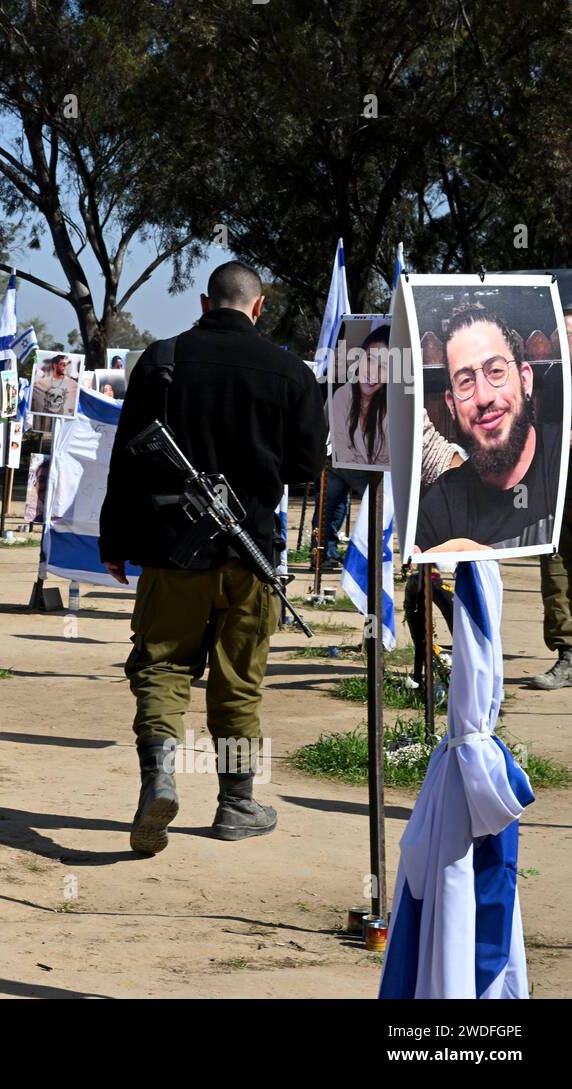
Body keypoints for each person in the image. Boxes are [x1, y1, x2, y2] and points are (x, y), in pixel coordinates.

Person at [99, 260, 326, 854]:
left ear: (204, 303)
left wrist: (114, 540)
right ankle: (236, 803)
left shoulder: (163, 360)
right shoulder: (291, 372)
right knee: (238, 682)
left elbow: (125, 461)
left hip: (172, 553)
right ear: (259, 305)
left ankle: (160, 779)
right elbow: (306, 468)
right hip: (251, 557)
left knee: (161, 665)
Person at [415, 304, 560, 554]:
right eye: (466, 381)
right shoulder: (438, 509)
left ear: (524, 380)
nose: (483, 397)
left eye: (496, 371)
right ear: (451, 405)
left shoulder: (563, 464)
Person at [533, 308, 572, 689]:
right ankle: (567, 654)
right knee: (554, 564)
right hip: (555, 480)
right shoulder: (549, 373)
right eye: (563, 331)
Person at [332, 325, 390, 465]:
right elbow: (344, 456)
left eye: (384, 366)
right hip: (348, 477)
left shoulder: (391, 407)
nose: (373, 372)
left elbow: (389, 459)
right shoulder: (342, 396)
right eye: (370, 359)